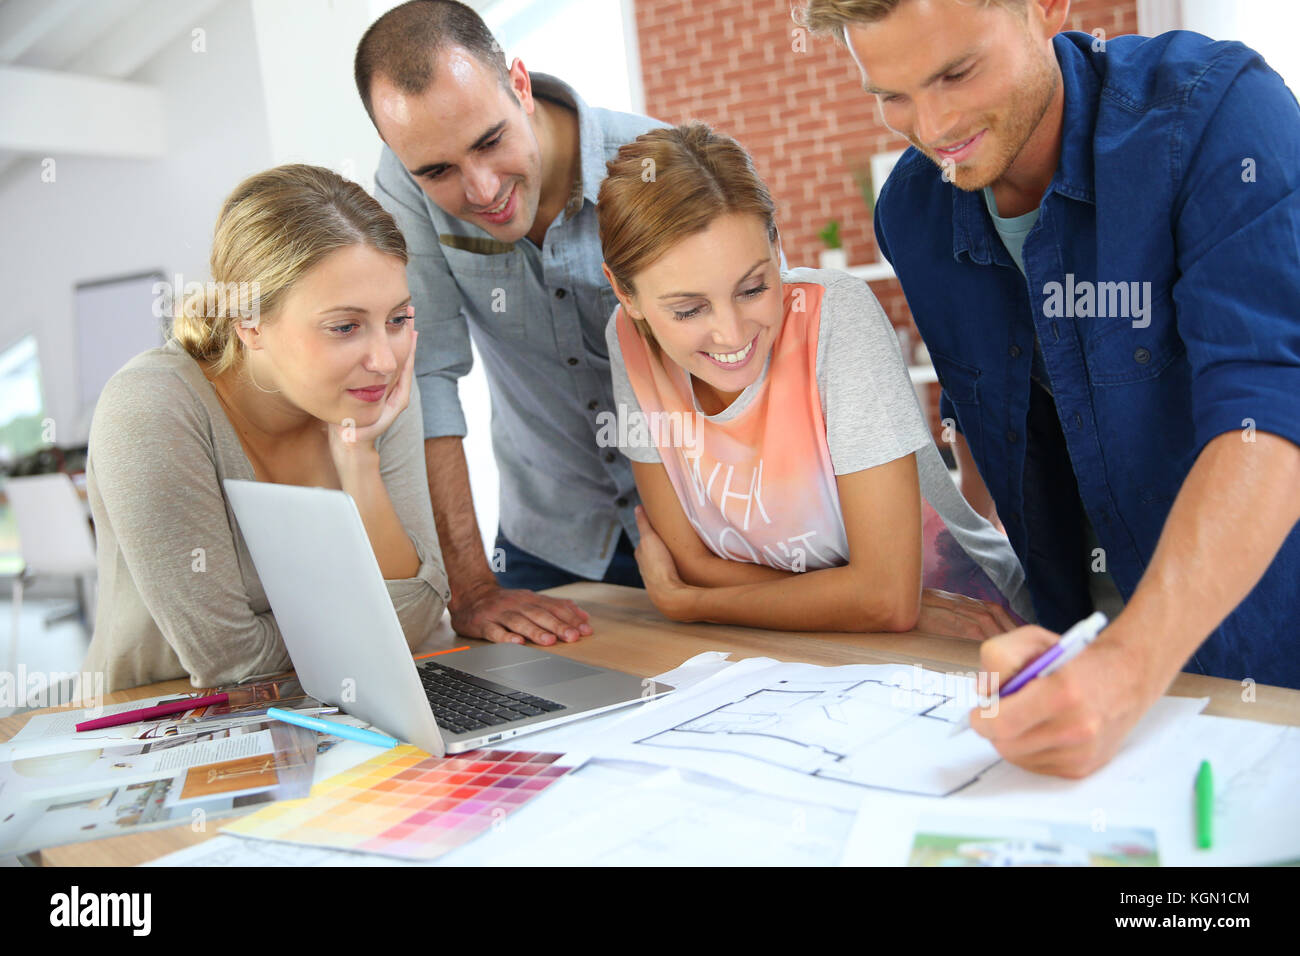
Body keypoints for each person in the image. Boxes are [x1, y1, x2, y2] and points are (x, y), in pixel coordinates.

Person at [797, 0, 1300, 775]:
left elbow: (1270, 419)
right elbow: (984, 418)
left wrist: (1129, 667)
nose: (933, 128)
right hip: (1078, 676)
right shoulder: (911, 212)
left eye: (957, 73)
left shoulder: (1218, 116)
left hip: (1269, 670)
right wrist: (970, 581)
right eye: (891, 96)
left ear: (1046, 9)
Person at [599, 123, 1033, 636]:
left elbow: (887, 601)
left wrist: (690, 604)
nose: (733, 333)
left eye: (753, 287)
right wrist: (850, 598)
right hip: (822, 645)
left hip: (971, 623)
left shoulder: (834, 316)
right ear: (625, 294)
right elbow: (690, 560)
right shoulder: (627, 338)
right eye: (690, 309)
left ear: (776, 245)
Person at [354, 0, 665, 647]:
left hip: (701, 527)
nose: (482, 189)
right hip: (545, 545)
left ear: (520, 85)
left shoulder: (659, 167)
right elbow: (429, 372)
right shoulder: (406, 185)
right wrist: (470, 588)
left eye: (489, 141)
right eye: (439, 170)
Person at [83, 165, 450, 692]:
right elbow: (231, 663)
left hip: (333, 710)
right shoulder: (151, 407)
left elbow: (419, 612)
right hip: (162, 730)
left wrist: (359, 461)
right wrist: (364, 628)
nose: (385, 359)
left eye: (396, 318)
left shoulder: (371, 392)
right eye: (345, 326)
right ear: (250, 323)